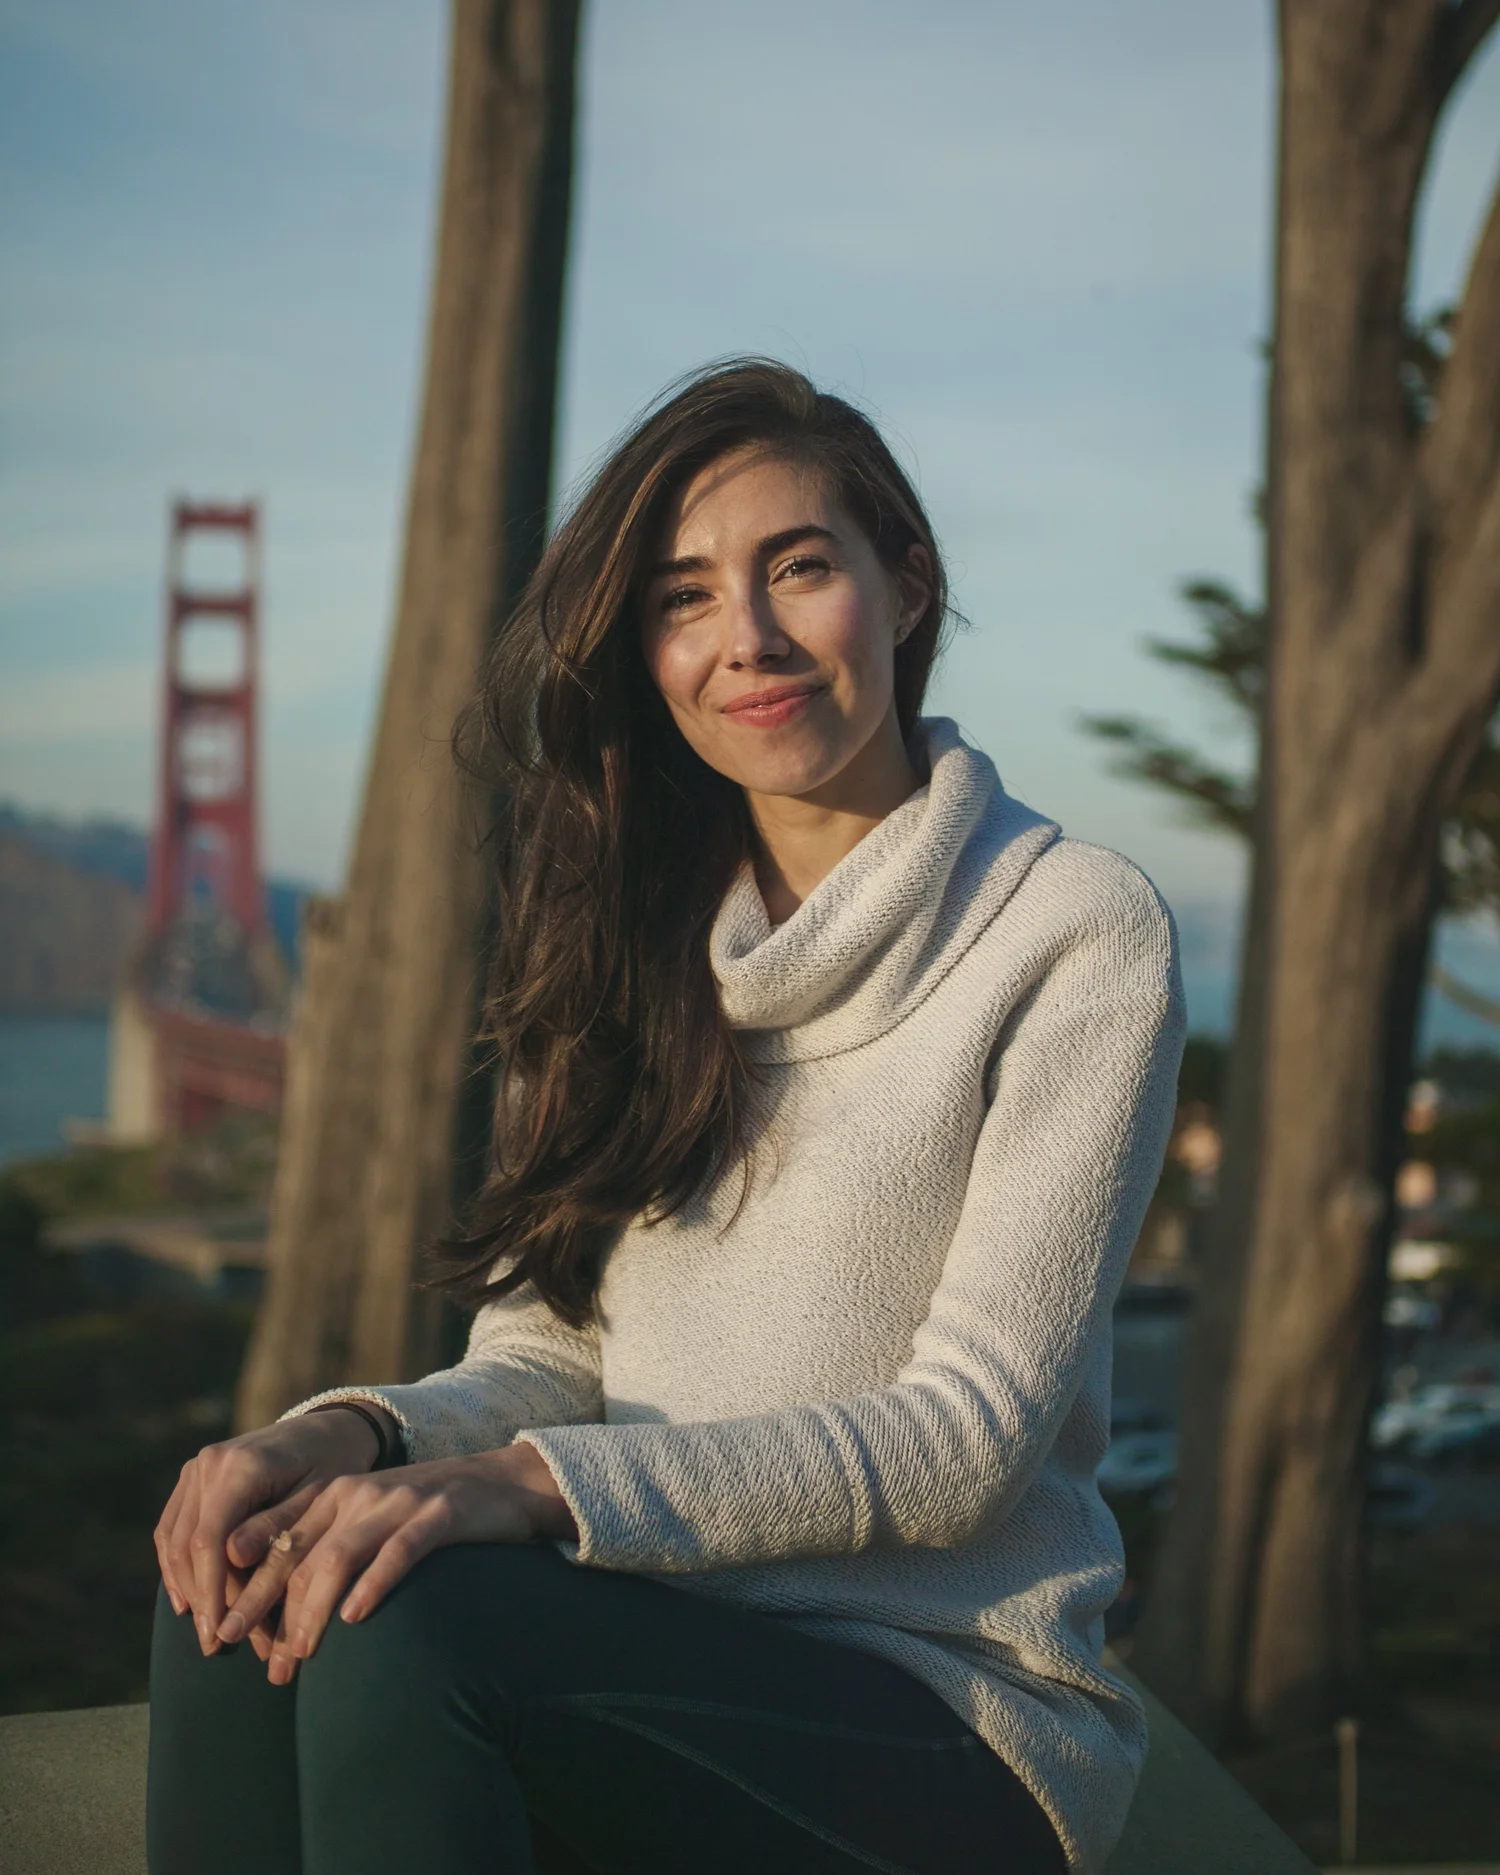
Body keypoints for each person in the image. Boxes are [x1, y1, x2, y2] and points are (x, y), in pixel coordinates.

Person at [148, 359, 1185, 1875]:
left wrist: (521, 1490)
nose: (745, 640)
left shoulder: (1075, 929)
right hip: (644, 1640)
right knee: (255, 1571)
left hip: (948, 1720)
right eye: (683, 598)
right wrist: (348, 1433)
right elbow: (554, 1353)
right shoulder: (627, 938)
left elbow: (967, 1440)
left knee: (407, 1622)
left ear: (905, 588)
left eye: (800, 568)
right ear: (641, 649)